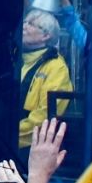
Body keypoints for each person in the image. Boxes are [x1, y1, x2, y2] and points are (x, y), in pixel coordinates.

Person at [17, 9, 72, 151]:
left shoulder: (56, 68)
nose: (24, 26)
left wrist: (12, 133)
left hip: (29, 149)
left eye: (31, 24)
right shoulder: (13, 58)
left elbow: (45, 115)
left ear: (46, 35)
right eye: (25, 21)